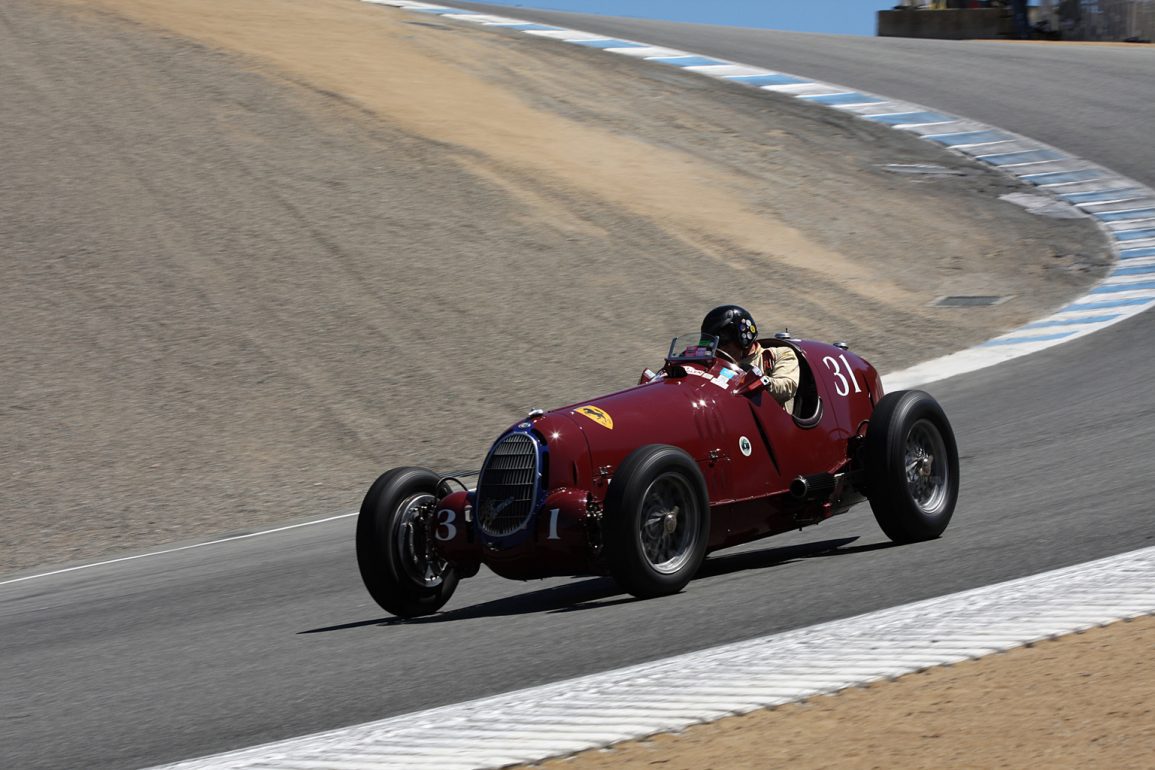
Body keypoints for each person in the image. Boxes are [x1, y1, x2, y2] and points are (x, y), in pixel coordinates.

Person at [701, 305, 800, 412]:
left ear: (742, 337)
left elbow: (786, 388)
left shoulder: (780, 354)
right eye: (713, 345)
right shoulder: (712, 362)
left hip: (764, 422)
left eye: (722, 344)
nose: (717, 350)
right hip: (720, 415)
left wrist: (757, 380)